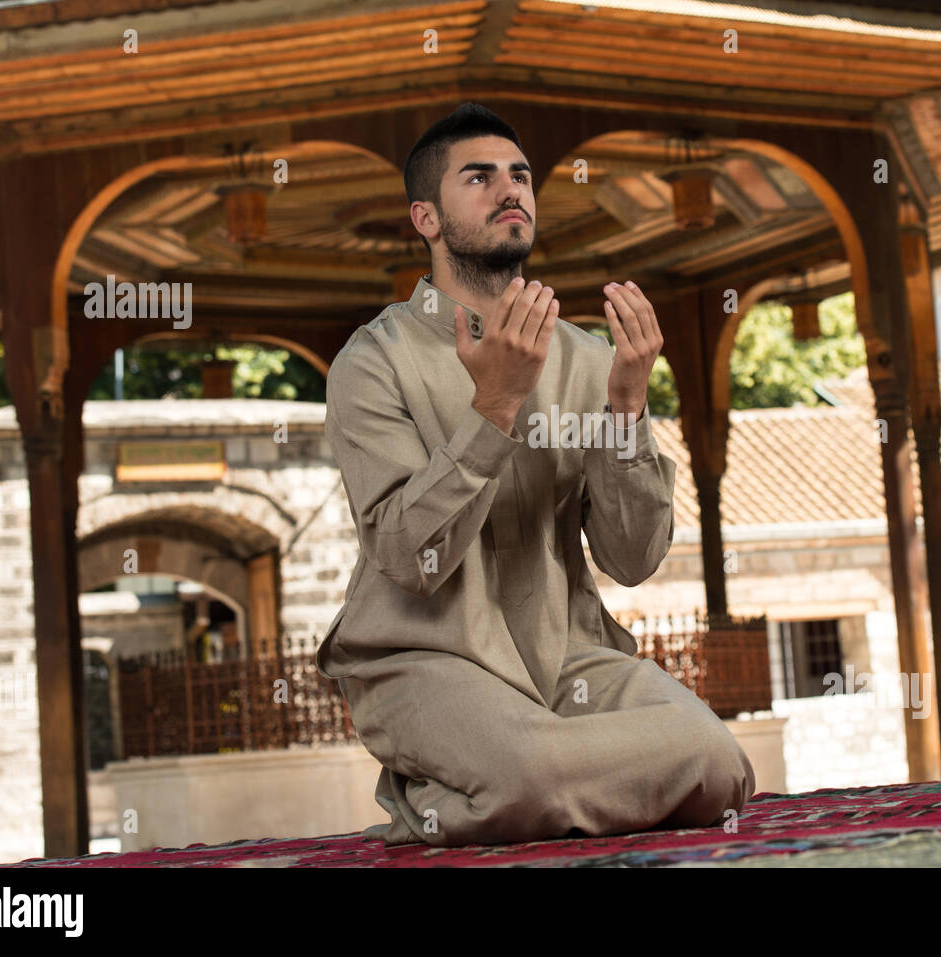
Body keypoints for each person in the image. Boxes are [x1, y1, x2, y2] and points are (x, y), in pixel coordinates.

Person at [315, 102, 754, 847]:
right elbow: (407, 558)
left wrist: (625, 408)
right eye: (478, 178)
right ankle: (457, 785)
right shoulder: (371, 362)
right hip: (423, 659)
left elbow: (633, 556)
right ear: (426, 217)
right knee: (531, 775)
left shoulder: (586, 358)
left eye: (519, 176)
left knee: (717, 765)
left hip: (566, 656)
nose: (509, 190)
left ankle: (483, 787)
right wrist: (495, 407)